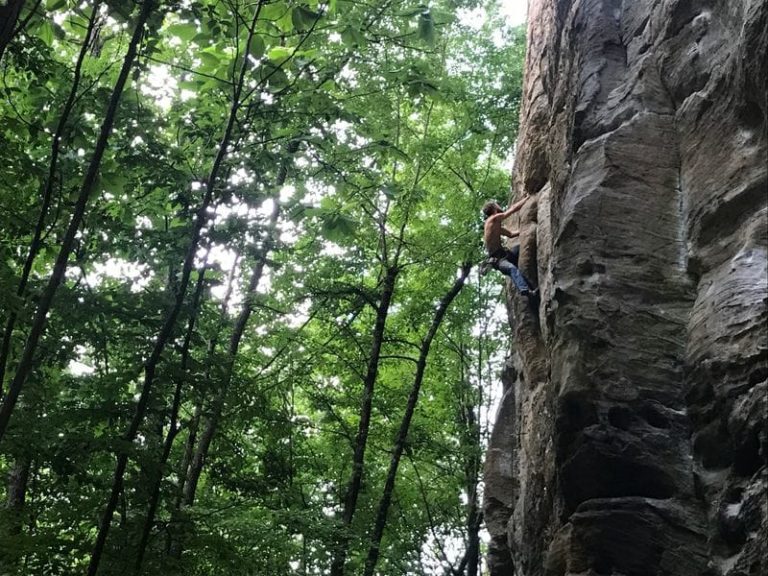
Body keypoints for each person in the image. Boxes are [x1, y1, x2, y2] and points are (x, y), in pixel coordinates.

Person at [481, 199, 536, 298]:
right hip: (498, 260)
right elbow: (512, 209)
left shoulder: (494, 225)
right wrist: (528, 198)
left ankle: (530, 286)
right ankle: (525, 290)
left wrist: (527, 228)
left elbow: (510, 234)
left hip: (506, 255)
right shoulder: (493, 219)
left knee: (522, 248)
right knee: (512, 269)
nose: (499, 206)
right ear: (494, 208)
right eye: (497, 205)